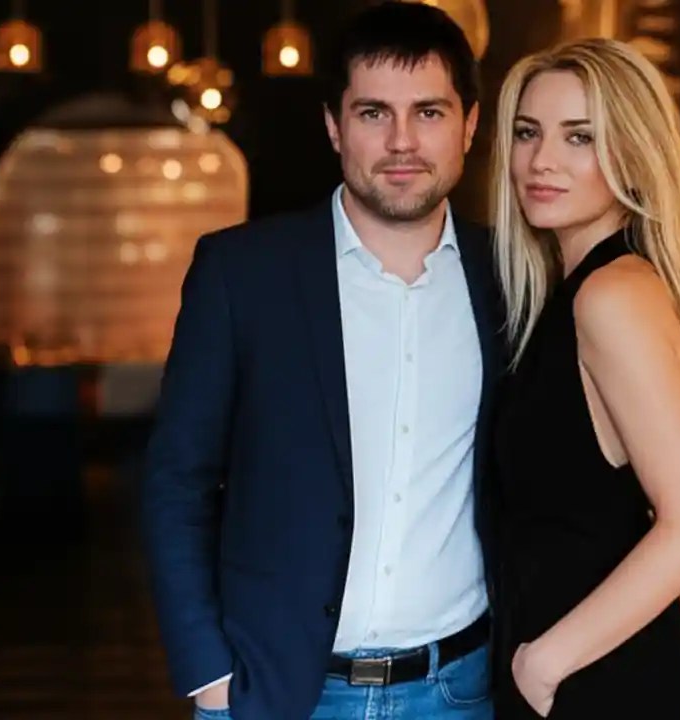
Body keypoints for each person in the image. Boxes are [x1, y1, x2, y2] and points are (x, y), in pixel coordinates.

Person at [141, 3, 500, 719]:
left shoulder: (512, 280)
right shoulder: (241, 273)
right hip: (278, 694)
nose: (402, 141)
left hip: (461, 690)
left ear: (468, 124)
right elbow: (176, 478)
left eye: (428, 112)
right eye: (374, 113)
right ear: (334, 125)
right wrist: (206, 673)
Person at [489, 38, 680, 718]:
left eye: (580, 138)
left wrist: (543, 664)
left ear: (632, 153)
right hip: (576, 670)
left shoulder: (611, 296)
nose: (543, 160)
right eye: (527, 133)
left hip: (593, 683)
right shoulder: (575, 293)